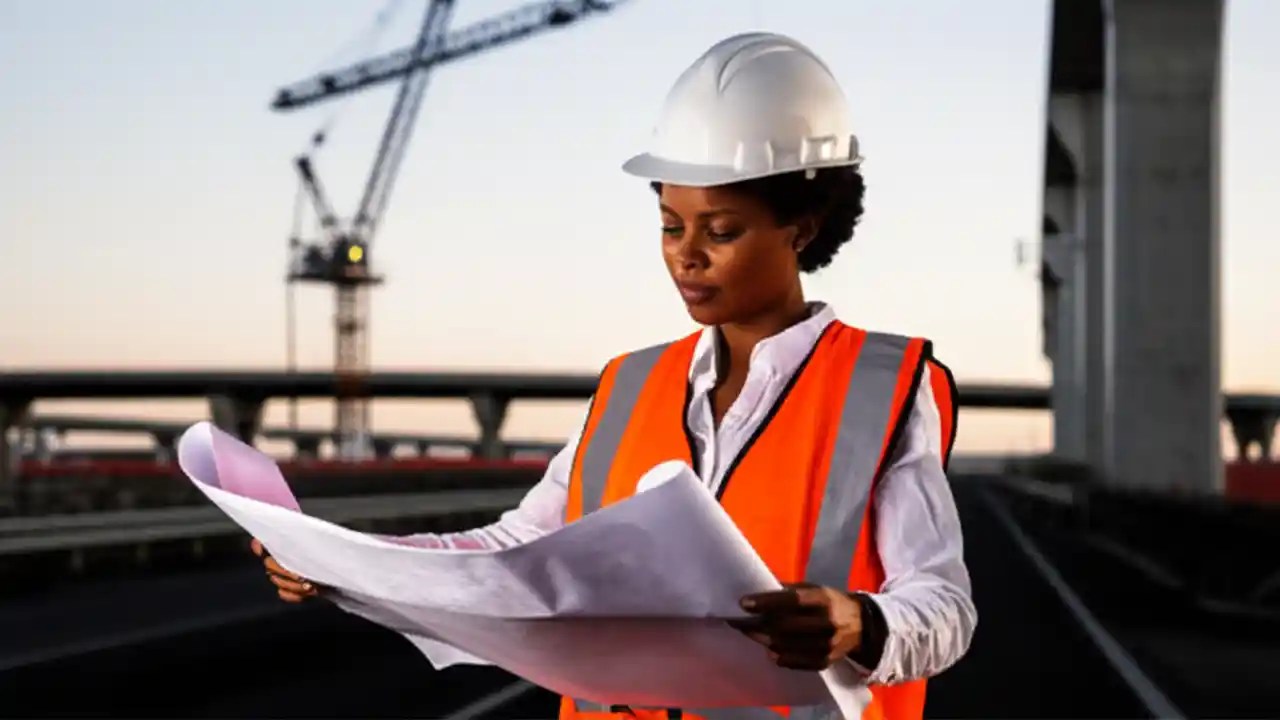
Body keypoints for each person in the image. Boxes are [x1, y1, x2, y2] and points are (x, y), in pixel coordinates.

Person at [252, 31, 975, 720]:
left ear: (803, 226)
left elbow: (944, 608)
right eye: (669, 225)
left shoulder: (884, 387)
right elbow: (515, 549)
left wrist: (860, 623)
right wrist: (340, 559)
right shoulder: (629, 388)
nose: (686, 256)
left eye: (720, 231)